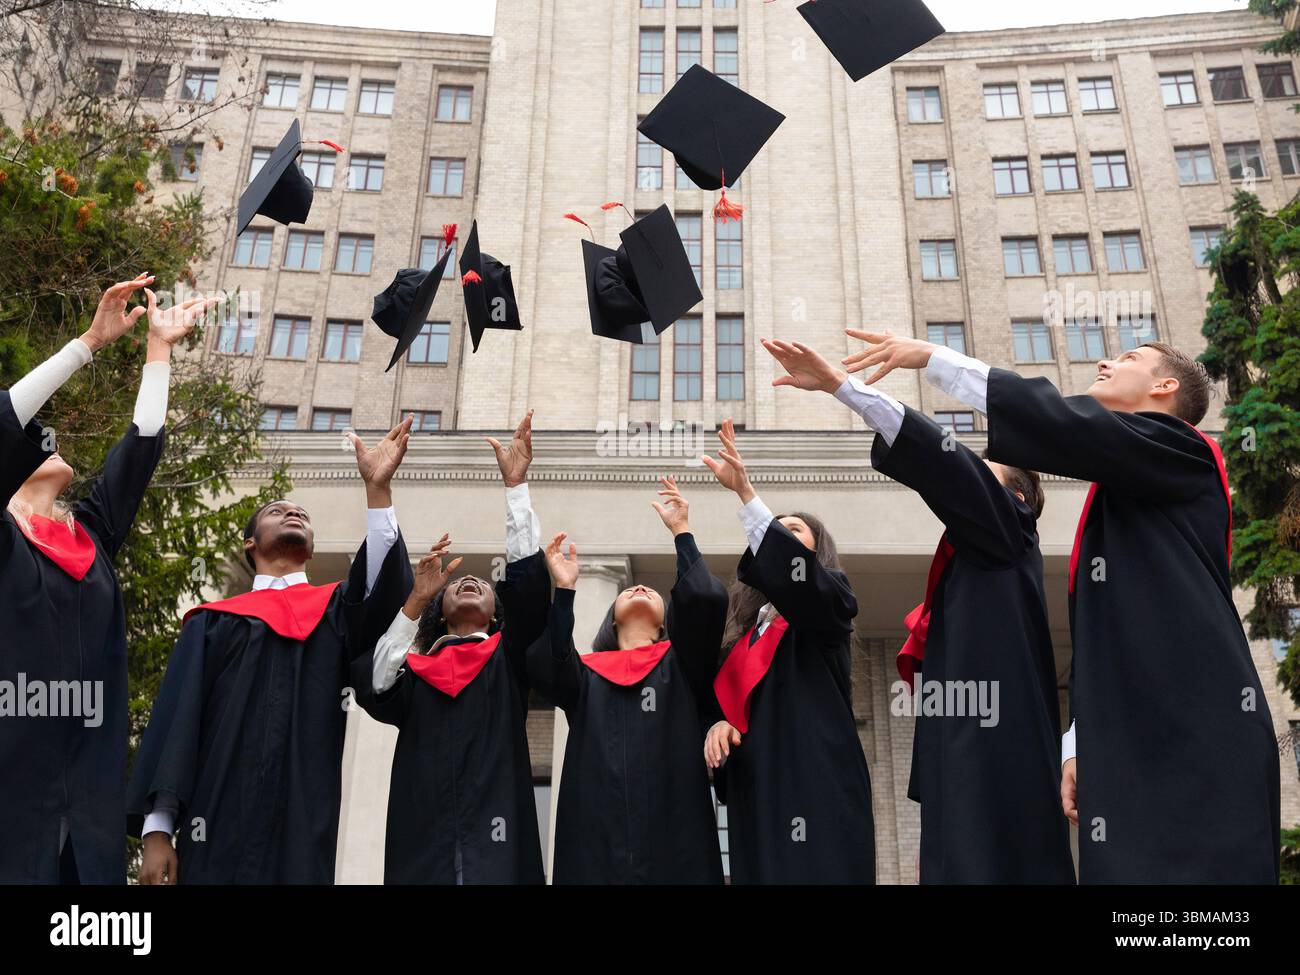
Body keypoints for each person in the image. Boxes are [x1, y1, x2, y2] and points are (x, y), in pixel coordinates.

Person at [843, 328, 1280, 884]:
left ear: (1165, 387)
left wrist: (934, 359)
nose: (1104, 360)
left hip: (1194, 729)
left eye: (1129, 357)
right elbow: (1099, 648)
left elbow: (1066, 424)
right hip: (1133, 740)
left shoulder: (1183, 449)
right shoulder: (1122, 495)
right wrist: (1077, 743)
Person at [760, 338, 1074, 884]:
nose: (969, 477)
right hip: (964, 757)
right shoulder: (973, 561)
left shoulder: (1009, 532)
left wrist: (843, 387)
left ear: (1016, 499)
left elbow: (941, 462)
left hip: (996, 755)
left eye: (984, 472)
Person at [127, 418, 417, 884]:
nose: (293, 513)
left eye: (302, 514)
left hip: (303, 822)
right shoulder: (211, 621)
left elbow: (381, 593)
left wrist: (378, 492)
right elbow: (178, 723)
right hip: (217, 820)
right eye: (277, 510)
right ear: (250, 542)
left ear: (313, 547)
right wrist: (158, 832)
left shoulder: (334, 611)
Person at [0, 275, 213, 884]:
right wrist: (89, 342)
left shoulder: (88, 537)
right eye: (34, 441)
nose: (50, 440)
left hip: (85, 813)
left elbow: (141, 448)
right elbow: (2, 416)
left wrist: (158, 350)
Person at [356, 411, 549, 885]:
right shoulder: (416, 671)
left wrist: (516, 489)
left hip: (496, 842)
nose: (467, 580)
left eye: (481, 583)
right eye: (457, 582)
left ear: (496, 614)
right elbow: (378, 682)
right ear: (439, 610)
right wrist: (415, 598)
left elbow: (527, 587)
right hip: (424, 840)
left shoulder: (508, 660)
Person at [527, 476, 726, 884]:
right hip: (595, 836)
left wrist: (682, 534)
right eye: (631, 591)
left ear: (667, 621)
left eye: (654, 592)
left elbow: (704, 601)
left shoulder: (682, 666)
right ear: (612, 617)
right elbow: (546, 664)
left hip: (676, 833)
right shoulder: (585, 677)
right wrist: (563, 591)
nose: (639, 587)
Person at [702, 420, 875, 884]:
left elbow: (806, 588)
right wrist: (719, 725)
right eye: (774, 533)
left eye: (795, 530)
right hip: (757, 793)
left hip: (816, 783)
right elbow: (732, 714)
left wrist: (747, 496)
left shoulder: (828, 607)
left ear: (816, 554)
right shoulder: (742, 639)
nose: (780, 537)